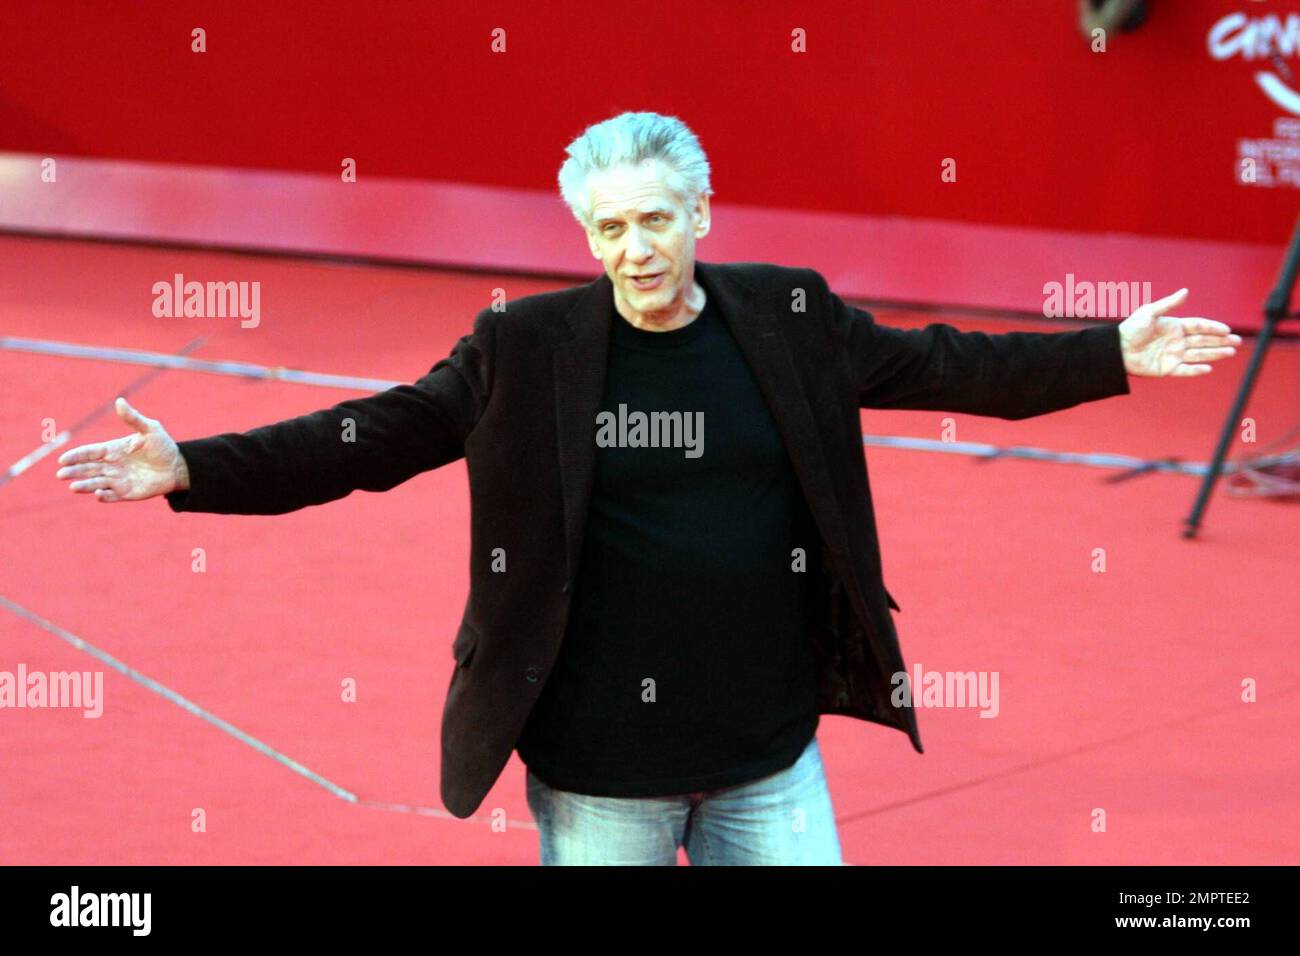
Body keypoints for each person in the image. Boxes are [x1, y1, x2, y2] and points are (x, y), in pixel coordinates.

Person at [56, 111, 1240, 865]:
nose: (635, 247)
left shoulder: (787, 314)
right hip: (599, 765)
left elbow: (945, 361)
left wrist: (1106, 353)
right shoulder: (524, 350)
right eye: (610, 226)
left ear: (701, 216)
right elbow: (375, 436)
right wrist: (194, 466)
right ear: (587, 233)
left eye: (656, 220)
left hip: (767, 749)